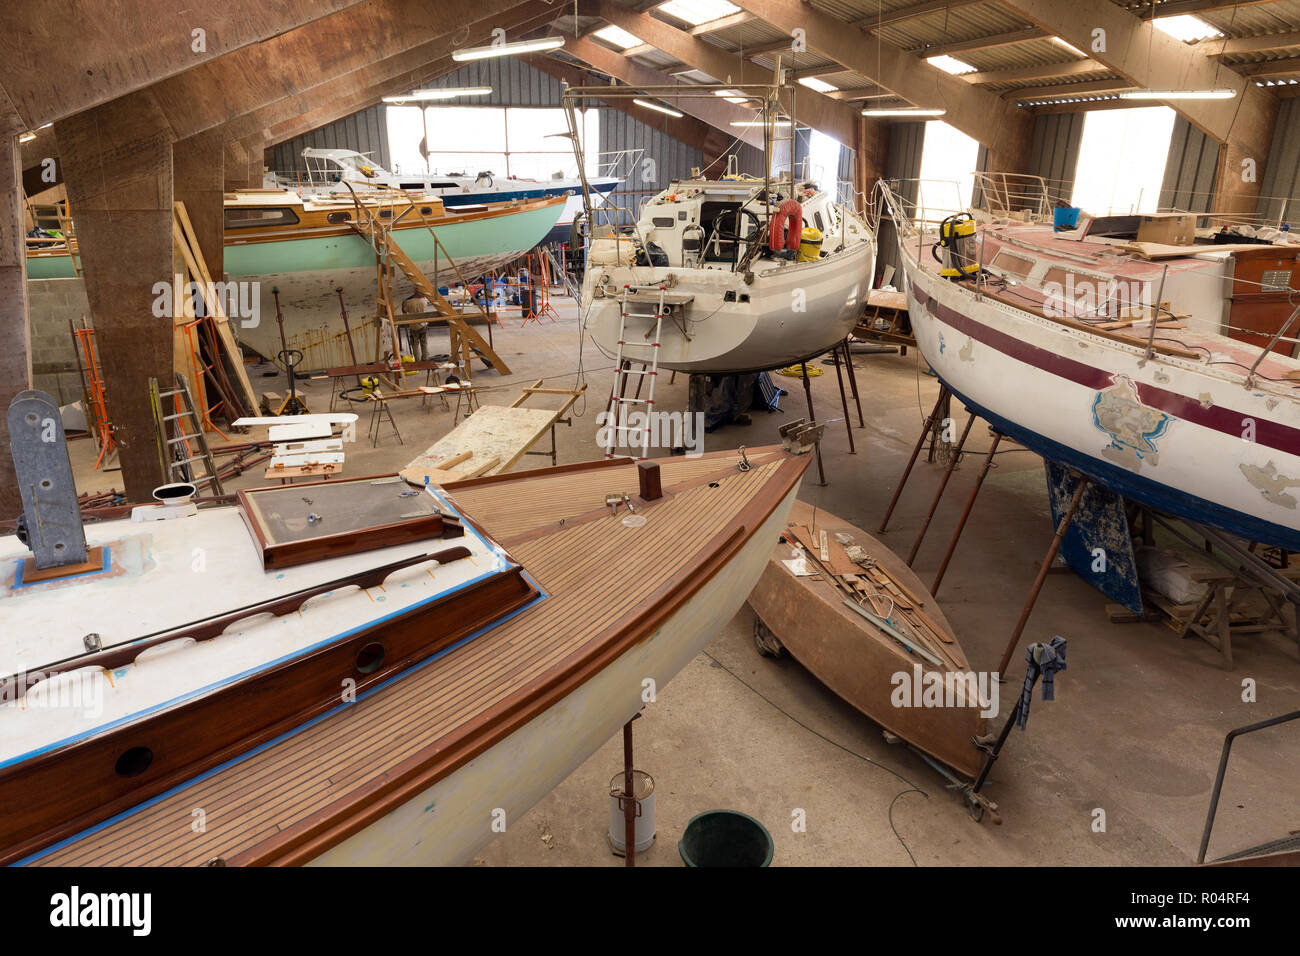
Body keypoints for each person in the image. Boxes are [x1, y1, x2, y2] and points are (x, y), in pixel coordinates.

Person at [401, 288, 431, 361]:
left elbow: (404, 312)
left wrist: (403, 304)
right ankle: (425, 358)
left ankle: (417, 360)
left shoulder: (408, 302)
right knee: (424, 344)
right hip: (423, 326)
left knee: (415, 345)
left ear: (414, 292)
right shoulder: (424, 301)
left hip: (413, 326)